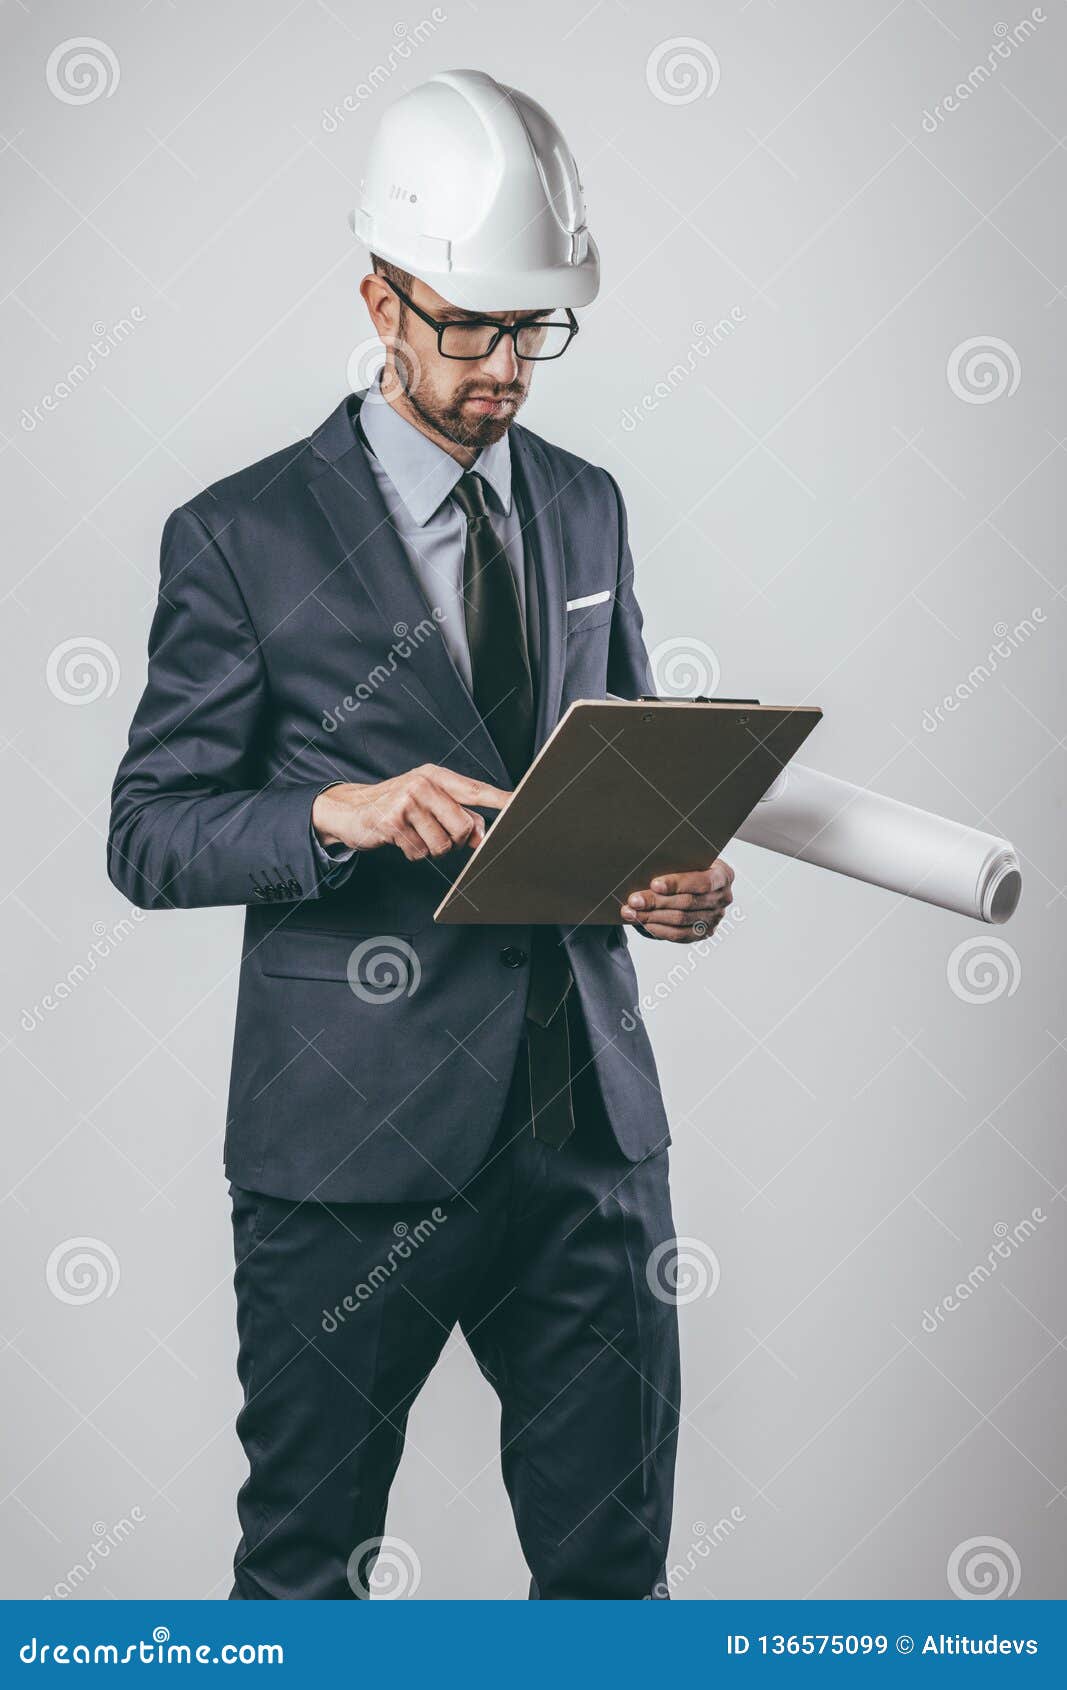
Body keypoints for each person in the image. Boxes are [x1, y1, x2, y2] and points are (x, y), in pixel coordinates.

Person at [108, 68, 735, 1600]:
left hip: (587, 1140)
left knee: (614, 1577)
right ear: (380, 300)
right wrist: (338, 811)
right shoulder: (241, 536)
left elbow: (627, 756)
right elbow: (150, 832)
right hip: (346, 1160)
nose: (506, 365)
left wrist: (677, 874)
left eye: (535, 328)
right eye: (471, 324)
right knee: (309, 1575)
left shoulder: (588, 508)